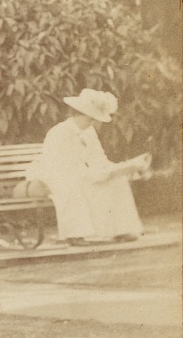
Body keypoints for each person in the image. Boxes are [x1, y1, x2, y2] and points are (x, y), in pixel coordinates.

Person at [26, 89, 151, 245]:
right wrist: (94, 174)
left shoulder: (89, 132)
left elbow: (98, 159)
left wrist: (118, 169)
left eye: (93, 119)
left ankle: (121, 229)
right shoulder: (59, 133)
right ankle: (74, 234)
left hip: (79, 172)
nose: (93, 122)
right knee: (74, 183)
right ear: (79, 114)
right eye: (90, 118)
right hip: (53, 176)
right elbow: (61, 166)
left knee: (116, 181)